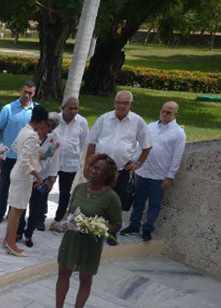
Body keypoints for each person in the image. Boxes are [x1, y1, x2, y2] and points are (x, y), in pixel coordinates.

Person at [43, 154, 122, 308]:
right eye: (92, 167)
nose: (92, 171)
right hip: (71, 240)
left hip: (90, 244)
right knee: (63, 273)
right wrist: (62, 224)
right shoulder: (78, 188)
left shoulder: (111, 197)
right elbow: (70, 212)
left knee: (85, 279)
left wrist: (95, 228)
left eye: (98, 169)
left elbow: (116, 225)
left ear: (107, 175)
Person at [85, 90, 152, 244]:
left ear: (131, 104)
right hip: (99, 170)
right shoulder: (104, 119)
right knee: (96, 199)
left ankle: (112, 233)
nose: (121, 106)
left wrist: (137, 164)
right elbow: (92, 143)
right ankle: (93, 229)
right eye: (119, 102)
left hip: (121, 171)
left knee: (116, 203)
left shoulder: (138, 121)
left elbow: (147, 146)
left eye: (125, 103)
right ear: (114, 103)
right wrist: (88, 165)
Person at [121, 102, 185, 242]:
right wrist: (135, 163)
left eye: (169, 112)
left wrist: (170, 176)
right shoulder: (150, 126)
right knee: (138, 200)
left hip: (159, 175)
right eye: (163, 110)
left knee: (154, 204)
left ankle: (148, 228)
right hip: (143, 171)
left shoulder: (179, 133)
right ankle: (134, 225)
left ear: (175, 114)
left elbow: (177, 157)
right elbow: (142, 146)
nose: (164, 114)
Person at [4, 105, 51, 257]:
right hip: (23, 176)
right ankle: (11, 244)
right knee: (17, 211)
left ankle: (7, 239)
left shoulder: (24, 129)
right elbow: (24, 161)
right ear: (42, 121)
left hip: (18, 172)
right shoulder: (32, 135)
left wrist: (35, 155)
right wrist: (37, 176)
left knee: (14, 209)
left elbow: (15, 147)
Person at [0, 82, 37, 224]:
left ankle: (14, 214)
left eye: (30, 93)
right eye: (25, 92)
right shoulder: (8, 109)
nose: (26, 95)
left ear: (34, 94)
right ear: (20, 91)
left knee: (20, 188)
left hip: (25, 158)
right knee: (4, 185)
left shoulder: (35, 110)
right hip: (9, 156)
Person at [19, 112, 60, 248]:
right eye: (43, 124)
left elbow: (55, 160)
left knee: (35, 208)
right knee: (21, 205)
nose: (43, 127)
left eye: (47, 126)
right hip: (27, 175)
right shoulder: (31, 135)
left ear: (51, 128)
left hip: (41, 178)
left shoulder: (54, 140)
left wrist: (52, 178)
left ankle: (29, 233)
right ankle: (18, 230)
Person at [50, 97, 89, 228]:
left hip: (70, 163)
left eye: (76, 108)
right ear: (63, 108)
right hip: (52, 163)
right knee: (45, 189)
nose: (73, 111)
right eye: (70, 108)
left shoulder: (82, 122)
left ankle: (59, 217)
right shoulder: (55, 119)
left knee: (65, 192)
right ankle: (40, 217)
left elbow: (83, 142)